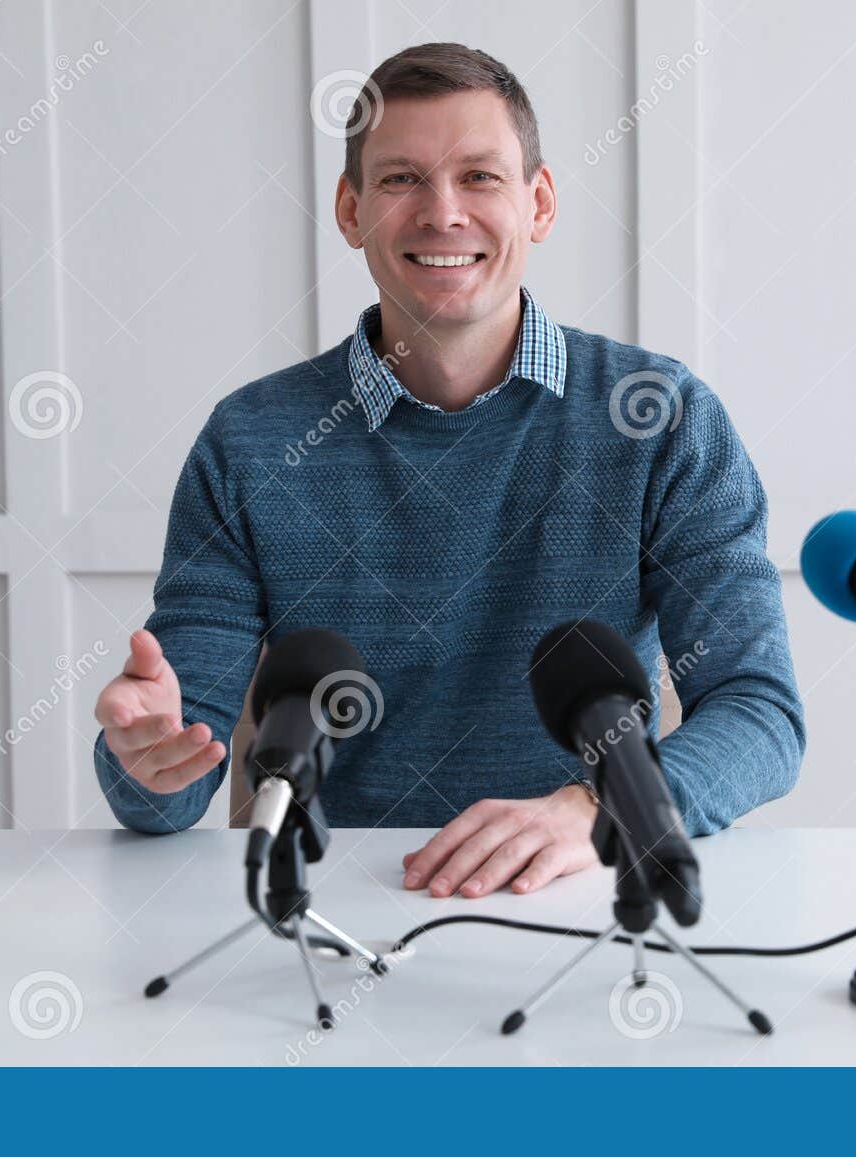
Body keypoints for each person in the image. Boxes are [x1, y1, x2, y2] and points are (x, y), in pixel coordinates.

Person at [93, 42, 805, 900]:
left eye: (479, 177)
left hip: (584, 888)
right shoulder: (250, 440)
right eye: (400, 181)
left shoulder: (661, 420)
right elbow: (169, 774)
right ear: (350, 211)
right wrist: (149, 762)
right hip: (339, 903)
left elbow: (759, 713)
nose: (443, 213)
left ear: (538, 204)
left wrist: (594, 808)